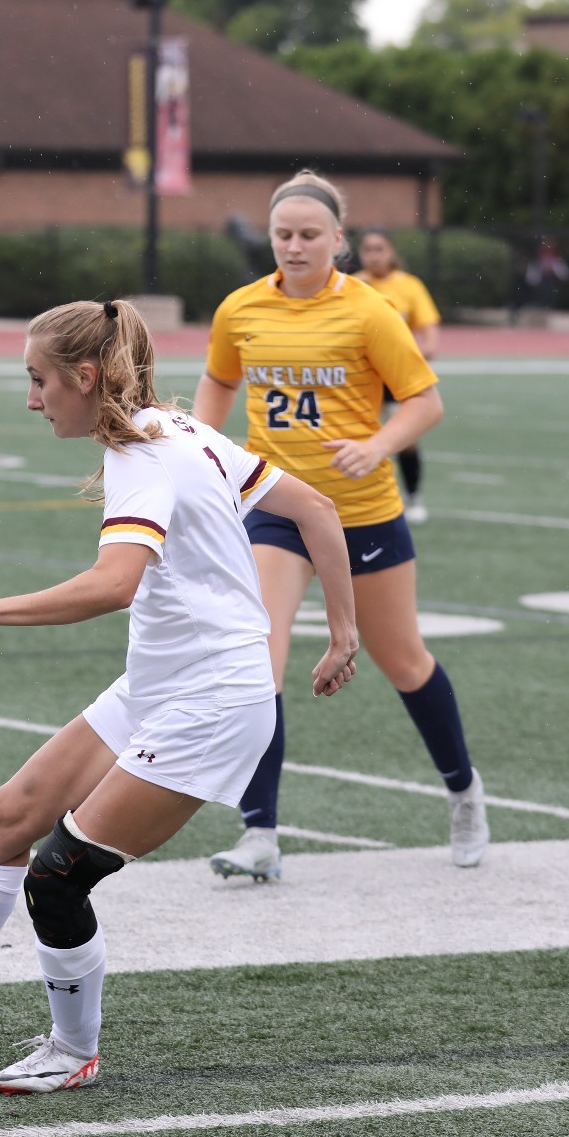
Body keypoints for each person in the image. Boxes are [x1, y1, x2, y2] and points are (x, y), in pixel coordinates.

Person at [0, 299, 358, 1094]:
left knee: (58, 874)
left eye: (39, 379)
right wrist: (342, 633)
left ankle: (73, 1049)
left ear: (85, 376)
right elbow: (316, 509)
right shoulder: (175, 431)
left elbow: (114, 585)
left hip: (213, 702)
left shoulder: (145, 453)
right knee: (6, 816)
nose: (31, 398)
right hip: (161, 686)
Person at [196, 171, 489, 881]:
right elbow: (219, 382)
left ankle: (463, 792)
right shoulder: (240, 308)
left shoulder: (369, 312)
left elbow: (425, 402)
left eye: (308, 235)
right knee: (258, 659)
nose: (294, 246)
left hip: (363, 515)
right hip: (278, 510)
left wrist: (377, 445)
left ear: (338, 240)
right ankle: (259, 832)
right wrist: (197, 454)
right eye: (282, 235)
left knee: (403, 660)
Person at [355, 229, 440, 525]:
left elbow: (430, 340)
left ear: (391, 251)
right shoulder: (352, 285)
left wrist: (402, 357)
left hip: (394, 379)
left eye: (380, 248)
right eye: (368, 249)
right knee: (354, 437)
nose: (374, 255)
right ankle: (356, 500)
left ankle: (413, 497)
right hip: (360, 380)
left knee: (406, 439)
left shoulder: (409, 286)